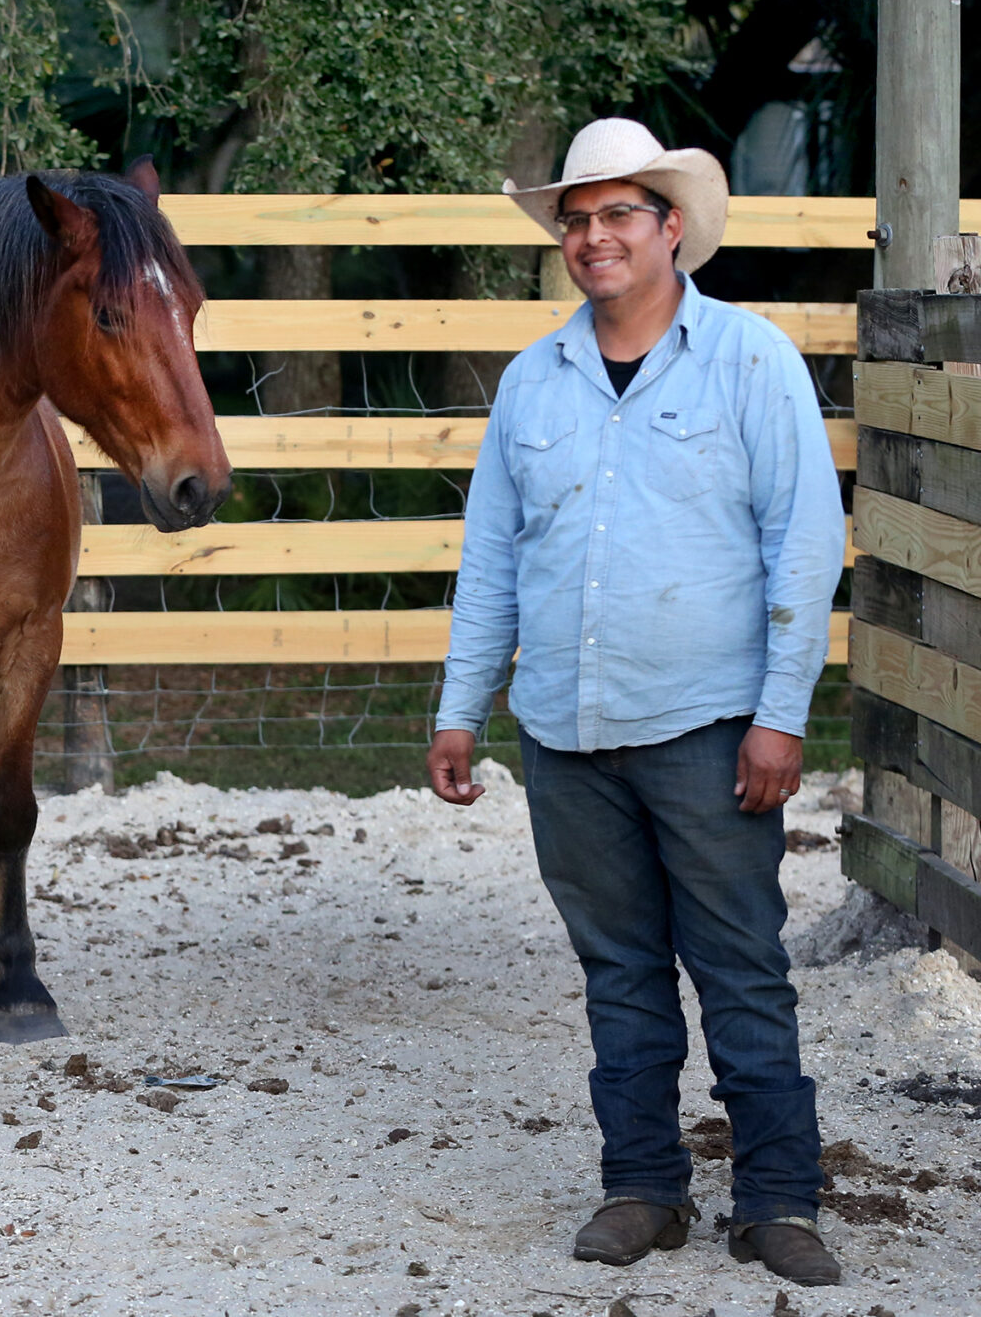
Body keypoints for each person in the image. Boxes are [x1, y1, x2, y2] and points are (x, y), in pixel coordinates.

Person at [425, 118, 845, 1285]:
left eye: (617, 212)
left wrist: (779, 714)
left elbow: (802, 544)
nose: (592, 235)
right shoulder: (532, 381)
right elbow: (492, 562)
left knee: (738, 964)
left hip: (706, 724)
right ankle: (642, 1184)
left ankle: (773, 1196)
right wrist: (460, 708)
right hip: (562, 731)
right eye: (576, 216)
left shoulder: (750, 361)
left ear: (671, 228)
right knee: (615, 969)